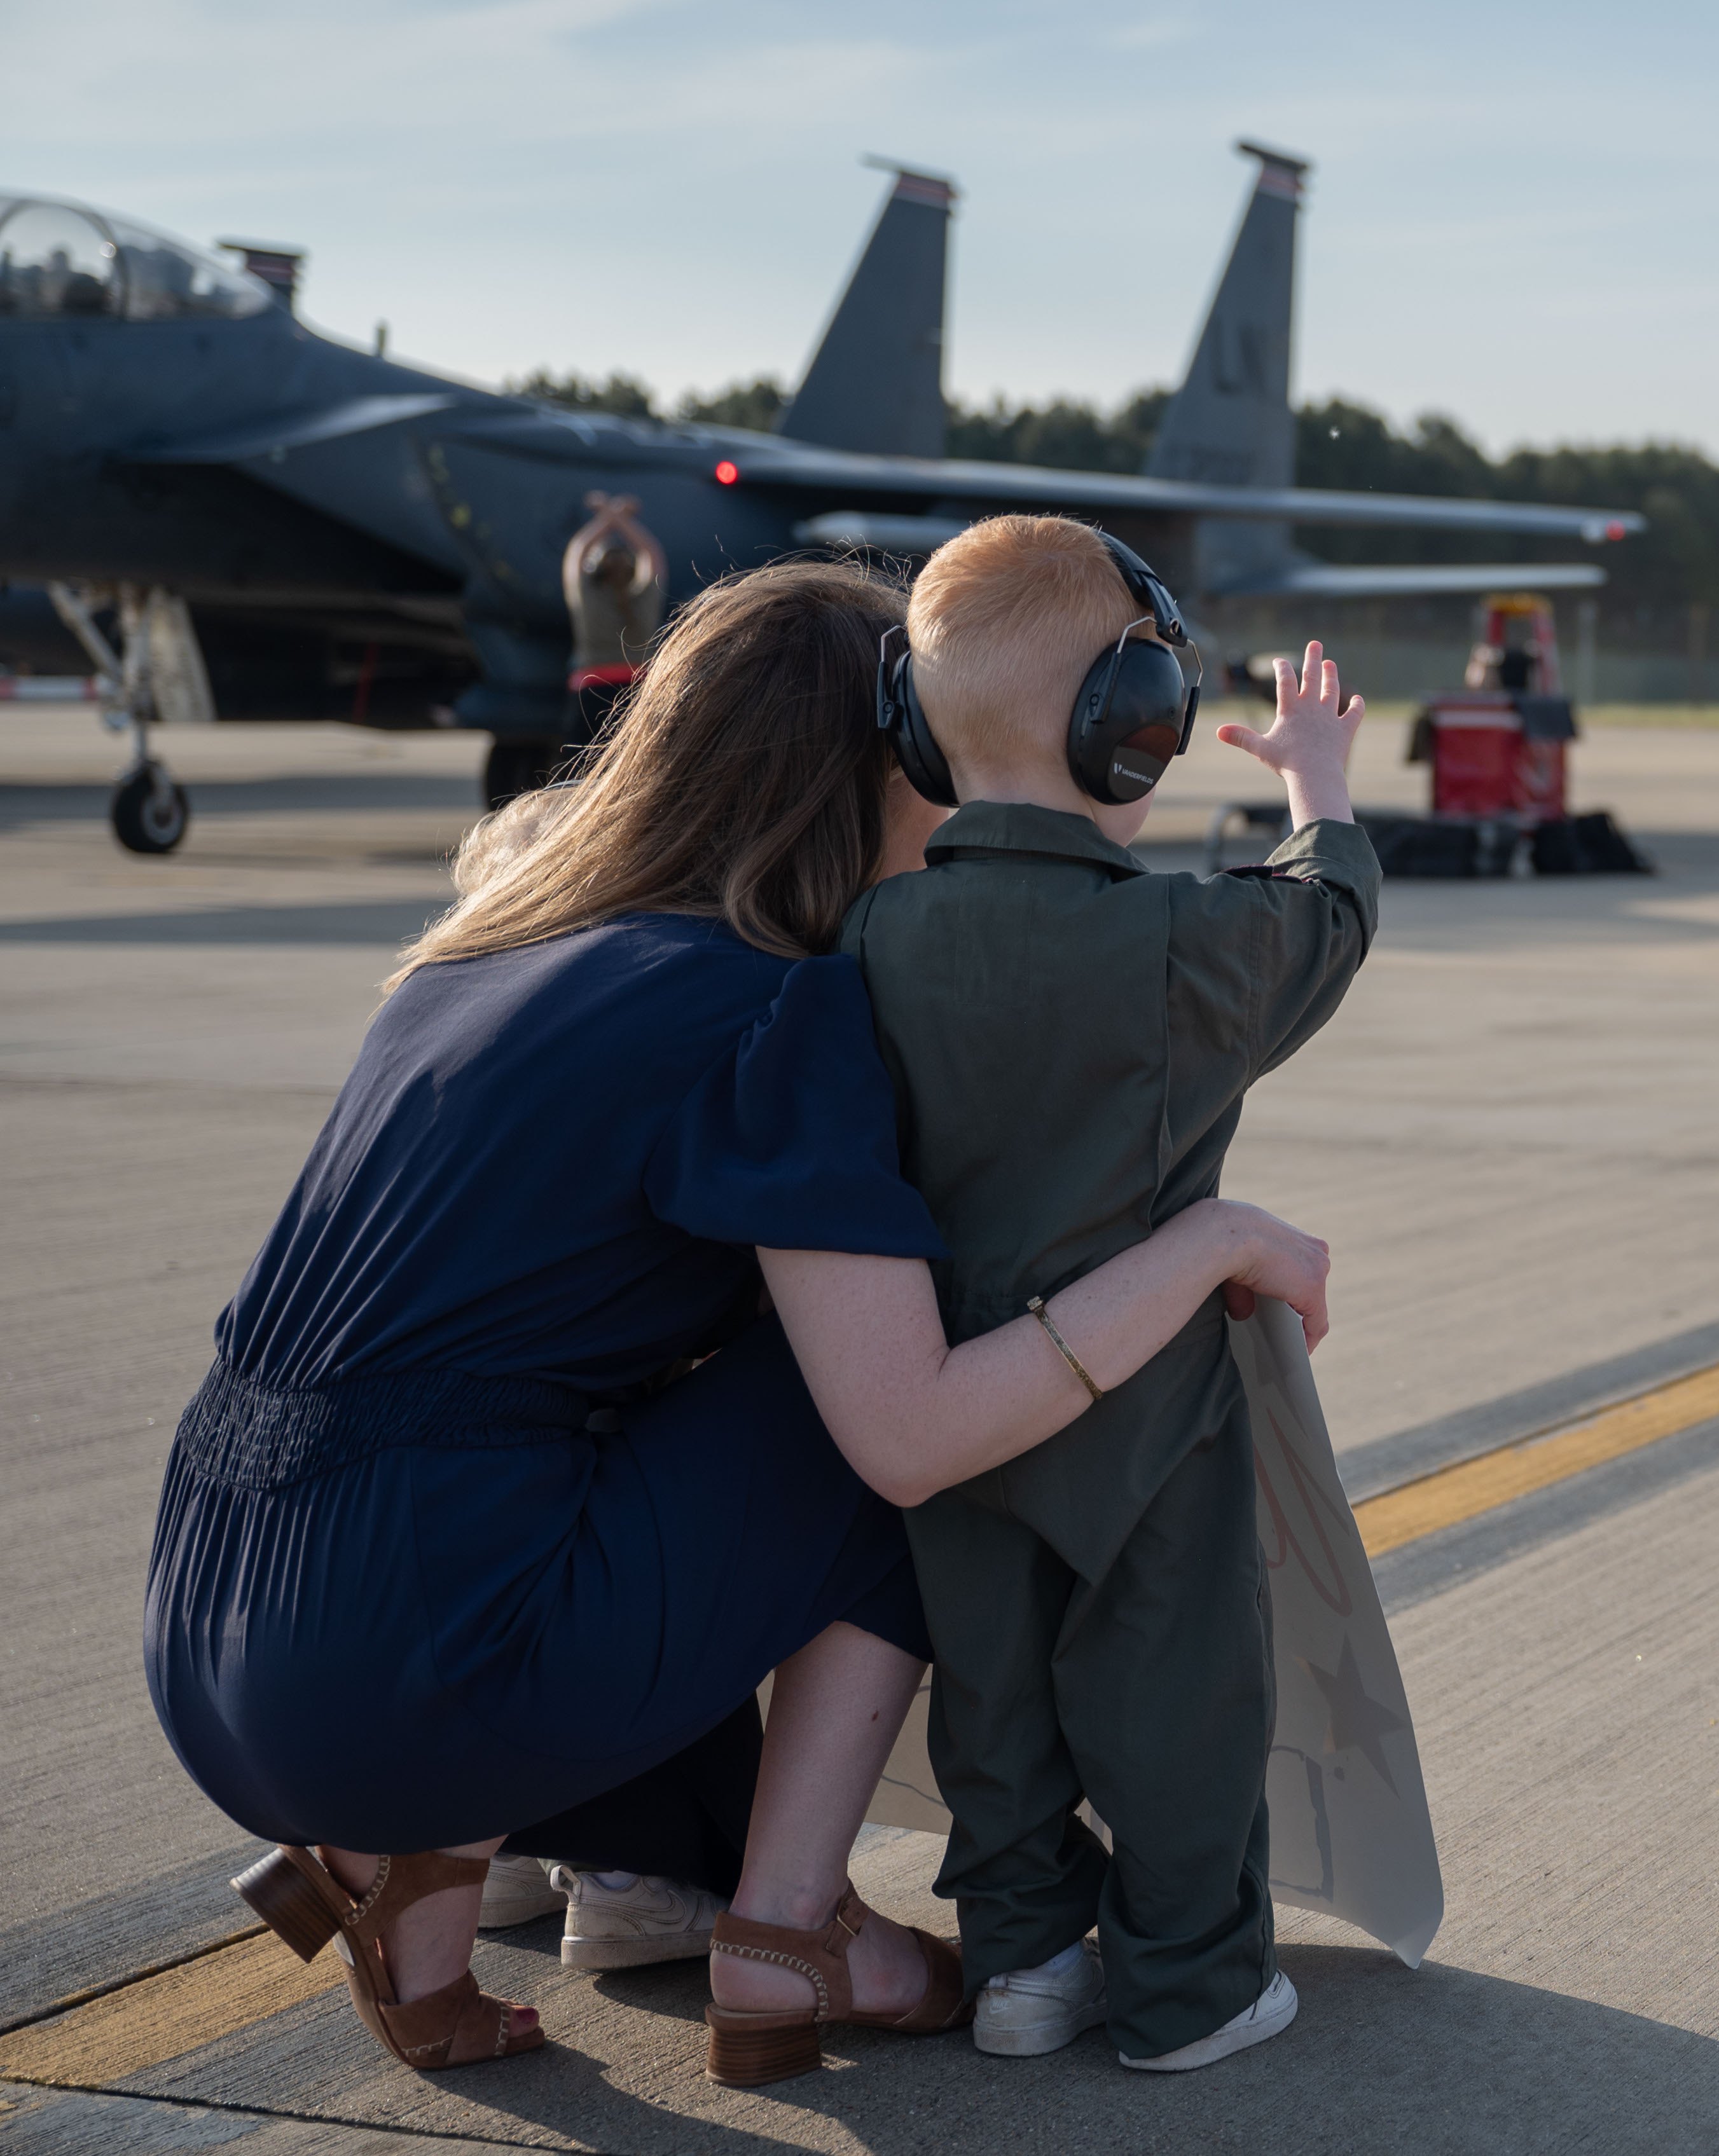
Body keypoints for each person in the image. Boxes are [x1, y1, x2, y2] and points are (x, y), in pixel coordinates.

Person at [146, 560, 1336, 2090]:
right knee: (899, 1401)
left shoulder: (478, 955)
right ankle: (786, 1930)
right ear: (894, 764)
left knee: (580, 1409)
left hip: (213, 1632)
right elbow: (908, 1436)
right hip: (409, 1663)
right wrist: (1208, 1242)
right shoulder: (776, 1005)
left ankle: (418, 1892)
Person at [841, 516, 1378, 2073]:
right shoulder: (1181, 940)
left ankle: (1019, 1966)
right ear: (1127, 722)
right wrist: (1317, 780)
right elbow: (1329, 916)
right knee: (1178, 1702)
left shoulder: (872, 935)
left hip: (949, 1405)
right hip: (1146, 1421)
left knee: (991, 1702)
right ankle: (1189, 1985)